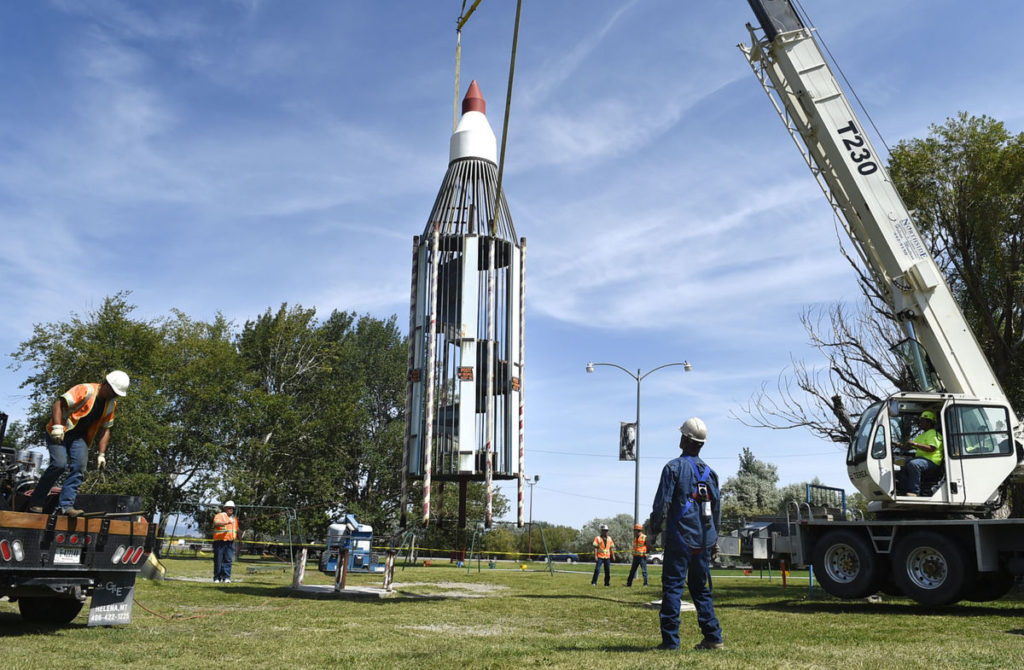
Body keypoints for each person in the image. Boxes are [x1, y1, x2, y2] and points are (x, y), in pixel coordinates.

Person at [649, 417, 723, 651]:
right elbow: (717, 510)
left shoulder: (673, 468)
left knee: (673, 587)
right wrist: (715, 540)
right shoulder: (711, 474)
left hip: (680, 537)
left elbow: (662, 505)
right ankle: (713, 637)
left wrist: (652, 532)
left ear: (684, 440)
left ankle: (670, 641)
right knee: (700, 589)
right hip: (703, 539)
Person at [27, 371, 129, 517]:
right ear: (106, 384)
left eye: (117, 394)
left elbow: (105, 429)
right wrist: (57, 427)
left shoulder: (111, 405)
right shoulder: (85, 390)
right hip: (60, 431)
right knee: (59, 465)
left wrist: (101, 454)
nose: (114, 396)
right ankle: (36, 501)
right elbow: (58, 404)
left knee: (79, 467)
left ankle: (66, 507)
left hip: (78, 437)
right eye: (114, 392)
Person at [897, 410, 943, 496]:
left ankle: (914, 492)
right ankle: (903, 491)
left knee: (914, 464)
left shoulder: (933, 434)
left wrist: (915, 444)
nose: (920, 423)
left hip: (932, 462)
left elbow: (931, 448)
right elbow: (907, 447)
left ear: (929, 423)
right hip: (921, 460)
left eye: (922, 421)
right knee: (900, 463)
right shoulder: (921, 436)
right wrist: (894, 443)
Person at [213, 501, 239, 583]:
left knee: (228, 560)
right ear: (225, 508)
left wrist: (239, 540)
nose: (231, 509)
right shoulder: (220, 515)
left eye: (232, 508)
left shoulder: (234, 519)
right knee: (218, 560)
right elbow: (216, 523)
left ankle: (227, 578)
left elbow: (236, 530)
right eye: (229, 508)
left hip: (230, 542)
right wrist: (226, 522)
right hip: (219, 542)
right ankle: (217, 578)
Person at [626, 523, 649, 587]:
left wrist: (647, 553)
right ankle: (629, 584)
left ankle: (645, 584)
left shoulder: (644, 537)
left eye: (635, 530)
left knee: (644, 571)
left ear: (638, 530)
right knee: (632, 571)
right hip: (636, 556)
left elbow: (648, 546)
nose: (634, 532)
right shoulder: (636, 538)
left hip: (642, 556)